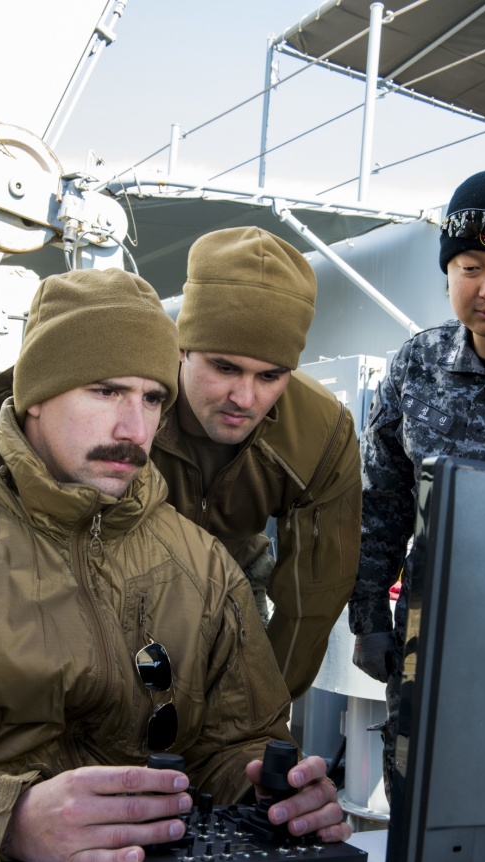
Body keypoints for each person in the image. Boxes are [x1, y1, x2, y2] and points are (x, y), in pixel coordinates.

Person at [0, 269, 349, 862]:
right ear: (34, 393)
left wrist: (272, 797)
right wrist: (10, 822)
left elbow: (232, 745)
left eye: (153, 398)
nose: (135, 430)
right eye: (104, 391)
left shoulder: (198, 565)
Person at [348, 168, 485, 798]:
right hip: (427, 634)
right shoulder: (418, 364)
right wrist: (369, 618)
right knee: (418, 784)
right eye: (469, 267)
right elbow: (382, 502)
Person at [151, 226, 362, 700]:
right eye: (224, 367)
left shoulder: (321, 432)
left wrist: (262, 710)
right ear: (183, 349)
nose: (244, 398)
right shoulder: (129, 392)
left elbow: (315, 594)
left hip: (233, 577)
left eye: (270, 376)